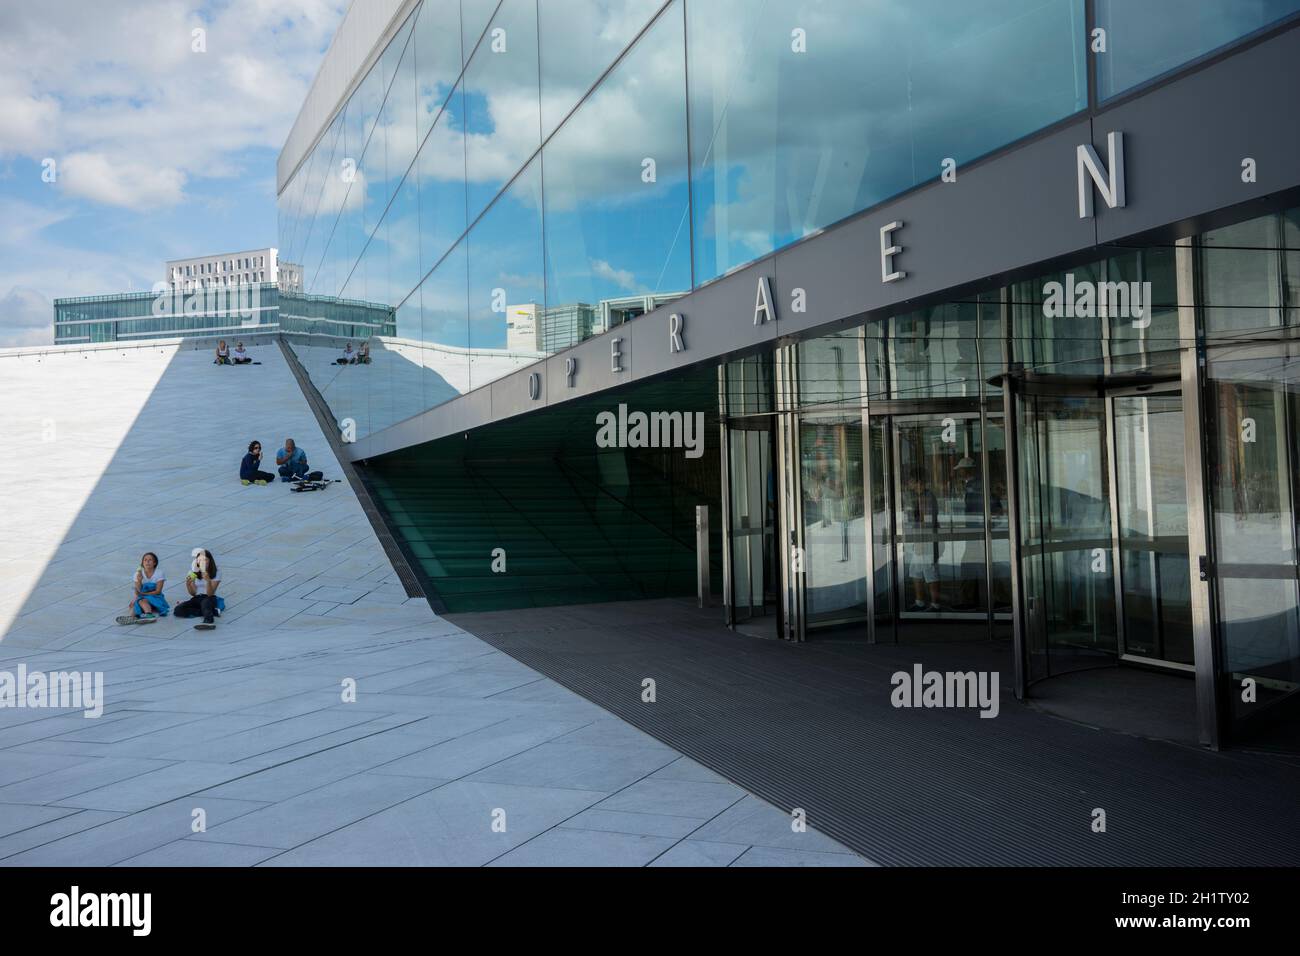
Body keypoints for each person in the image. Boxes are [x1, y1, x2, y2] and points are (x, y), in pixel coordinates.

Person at [903, 469, 944, 612]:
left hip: (926, 539)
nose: (909, 484)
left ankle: (935, 604)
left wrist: (921, 540)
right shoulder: (918, 497)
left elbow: (927, 521)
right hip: (920, 539)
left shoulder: (927, 497)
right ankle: (920, 602)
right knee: (915, 570)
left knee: (929, 570)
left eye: (911, 482)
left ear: (919, 482)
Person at [174, 549, 224, 631]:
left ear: (210, 561)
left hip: (209, 598)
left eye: (205, 560)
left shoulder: (217, 572)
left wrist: (208, 580)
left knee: (205, 603)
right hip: (197, 598)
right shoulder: (192, 572)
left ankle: (209, 621)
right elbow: (193, 593)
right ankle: (212, 611)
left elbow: (210, 593)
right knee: (178, 610)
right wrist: (188, 584)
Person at [116, 552, 169, 624]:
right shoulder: (137, 574)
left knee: (142, 600)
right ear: (142, 563)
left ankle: (149, 616)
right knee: (137, 603)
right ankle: (132, 617)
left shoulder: (159, 573)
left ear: (154, 563)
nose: (147, 562)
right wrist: (139, 580)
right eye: (145, 560)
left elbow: (158, 591)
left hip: (155, 596)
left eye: (150, 560)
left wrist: (143, 594)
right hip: (142, 595)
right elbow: (138, 590)